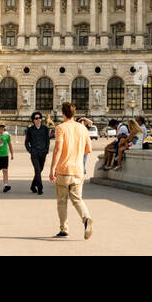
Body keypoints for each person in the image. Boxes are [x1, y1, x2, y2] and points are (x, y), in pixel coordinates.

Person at [48, 101, 93, 240]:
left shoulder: (60, 128)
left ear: (63, 113)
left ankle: (64, 230)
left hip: (63, 169)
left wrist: (52, 169)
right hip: (78, 170)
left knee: (62, 201)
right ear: (74, 113)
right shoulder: (82, 128)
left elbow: (58, 149)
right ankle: (86, 218)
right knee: (77, 199)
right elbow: (88, 149)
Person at [24, 111, 50, 195]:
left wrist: (46, 150)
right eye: (36, 118)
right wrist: (30, 150)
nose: (38, 120)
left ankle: (32, 185)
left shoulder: (45, 128)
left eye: (39, 118)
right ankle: (40, 188)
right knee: (37, 170)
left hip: (43, 153)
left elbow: (47, 141)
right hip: (34, 153)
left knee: (40, 170)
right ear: (33, 120)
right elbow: (26, 142)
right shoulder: (30, 130)